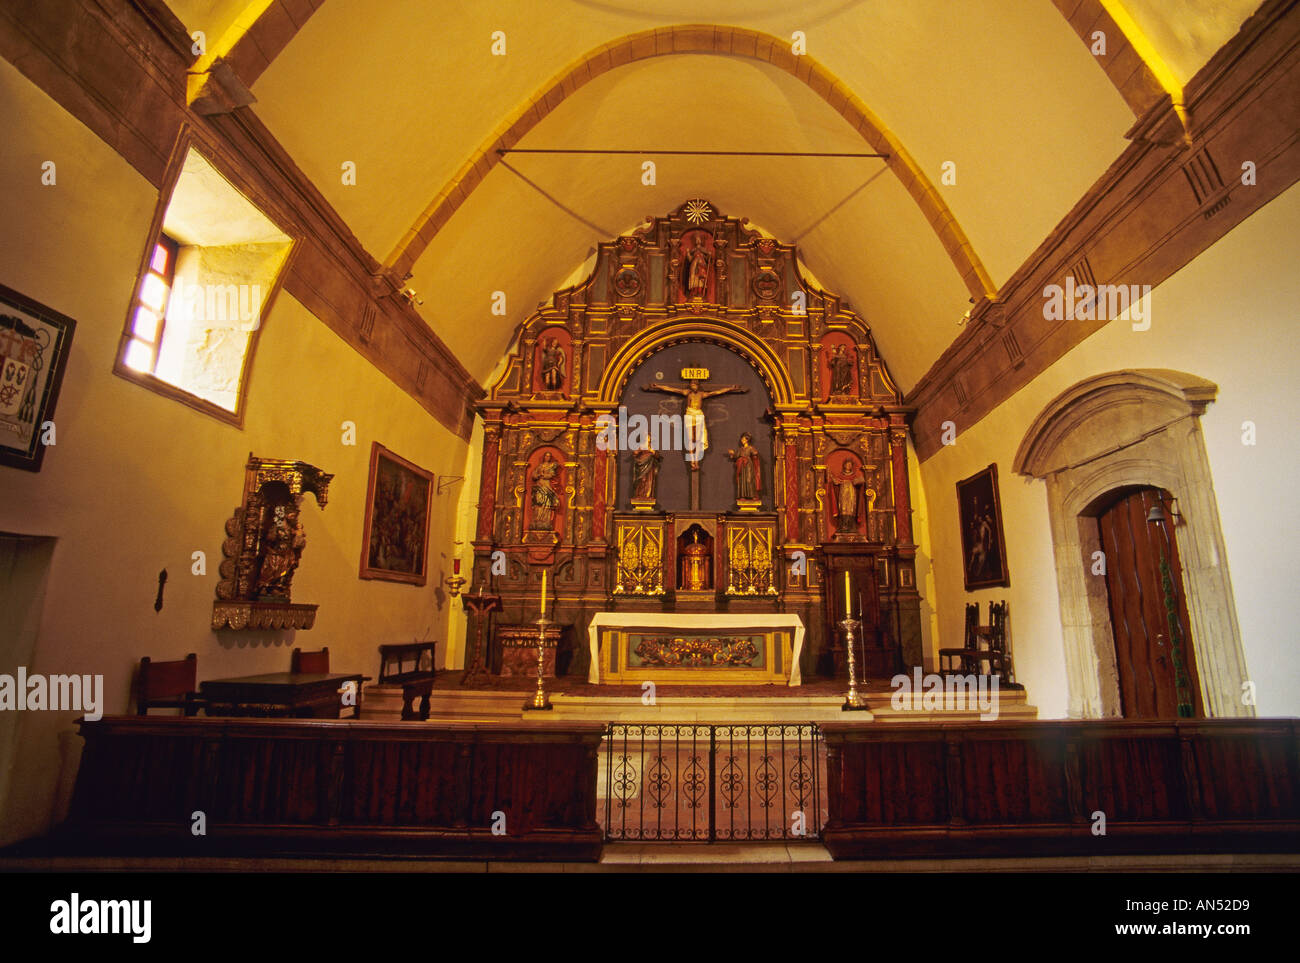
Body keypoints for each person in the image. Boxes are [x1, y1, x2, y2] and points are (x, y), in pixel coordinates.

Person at [642, 379, 746, 468]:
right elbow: (672, 389)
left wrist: (731, 388)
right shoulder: (687, 393)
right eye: (692, 385)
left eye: (695, 385)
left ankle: (696, 460)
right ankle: (692, 460)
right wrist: (659, 386)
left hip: (698, 415)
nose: (693, 386)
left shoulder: (702, 394)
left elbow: (717, 392)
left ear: (697, 386)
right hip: (690, 414)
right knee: (691, 439)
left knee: (698, 439)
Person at [529, 453, 561, 531]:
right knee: (538, 503)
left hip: (547, 486)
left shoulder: (551, 466)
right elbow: (534, 475)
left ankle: (546, 522)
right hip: (539, 485)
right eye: (546, 456)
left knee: (546, 503)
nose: (547, 457)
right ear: (544, 457)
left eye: (549, 456)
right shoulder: (539, 466)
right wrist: (538, 475)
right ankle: (537, 520)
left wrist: (544, 475)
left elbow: (552, 474)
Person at [727, 432, 761, 501]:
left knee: (749, 479)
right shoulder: (740, 449)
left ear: (747, 440)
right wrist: (732, 454)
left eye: (743, 439)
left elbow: (755, 453)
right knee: (742, 480)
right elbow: (736, 456)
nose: (742, 441)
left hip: (748, 465)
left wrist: (754, 455)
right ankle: (742, 496)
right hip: (741, 466)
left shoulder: (750, 448)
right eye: (742, 440)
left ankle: (752, 495)